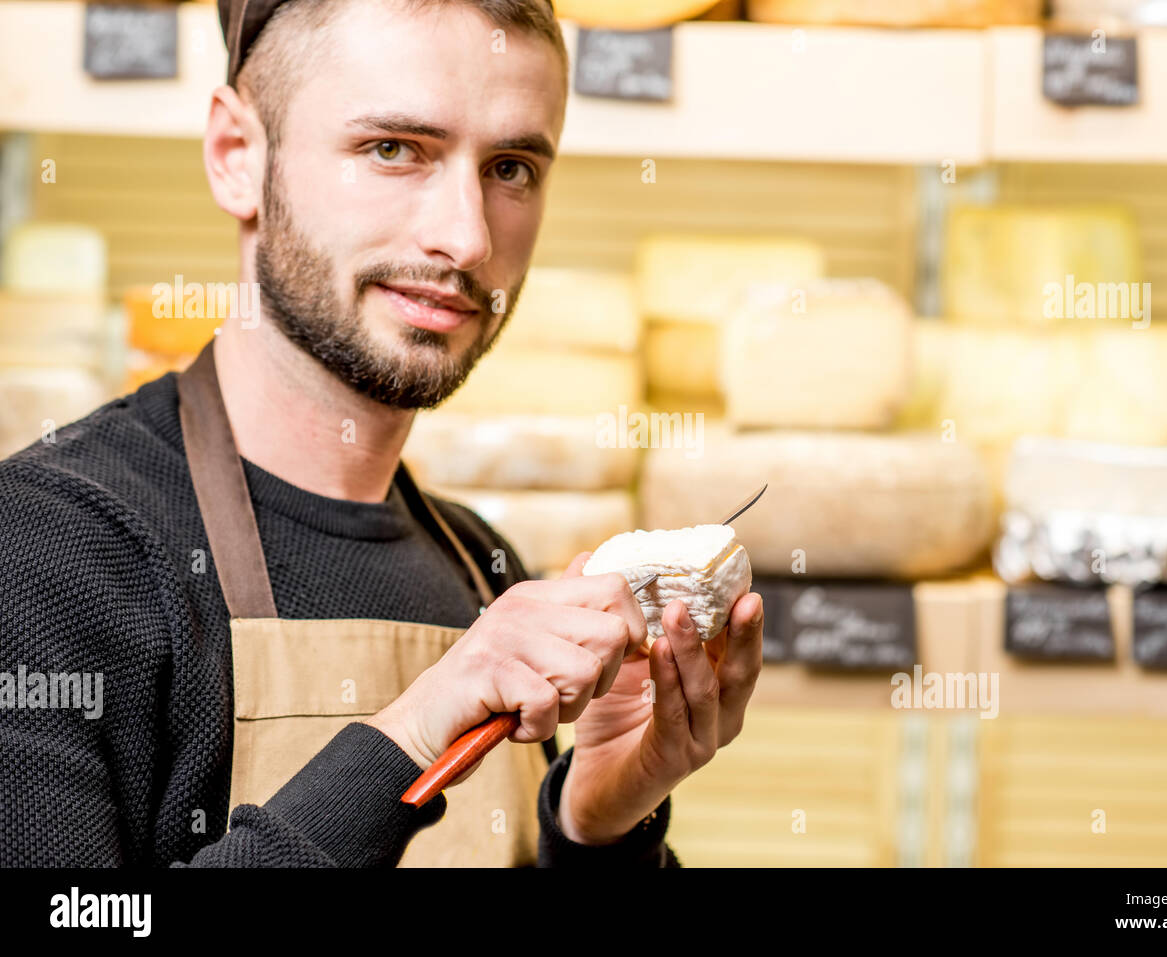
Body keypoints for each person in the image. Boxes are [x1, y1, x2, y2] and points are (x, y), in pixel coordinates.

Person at [0, 0, 763, 867]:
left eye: (510, 167)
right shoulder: (43, 551)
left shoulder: (480, 563)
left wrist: (596, 830)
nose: (467, 238)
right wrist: (405, 734)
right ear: (236, 156)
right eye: (395, 150)